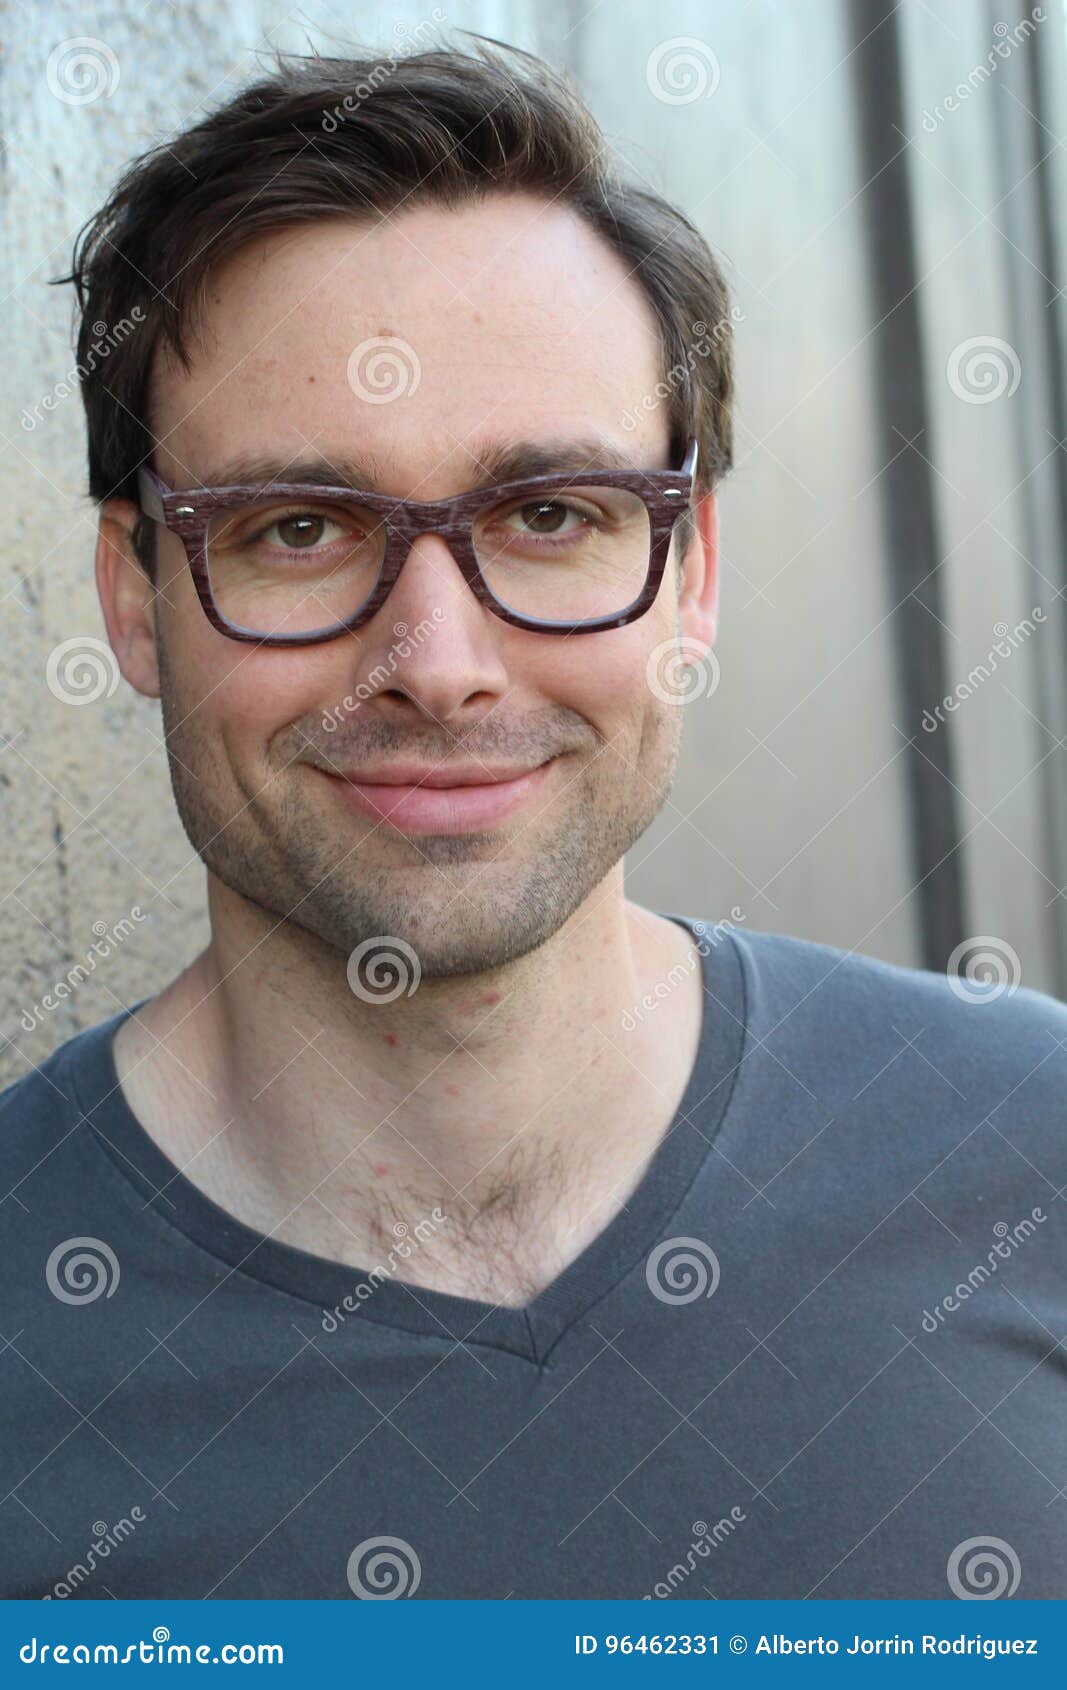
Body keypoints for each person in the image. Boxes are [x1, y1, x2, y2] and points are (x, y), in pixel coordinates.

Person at [2, 35, 1064, 1603]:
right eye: (299, 527)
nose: (438, 663)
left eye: (551, 515)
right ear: (137, 598)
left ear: (689, 573)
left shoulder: (1028, 1155)